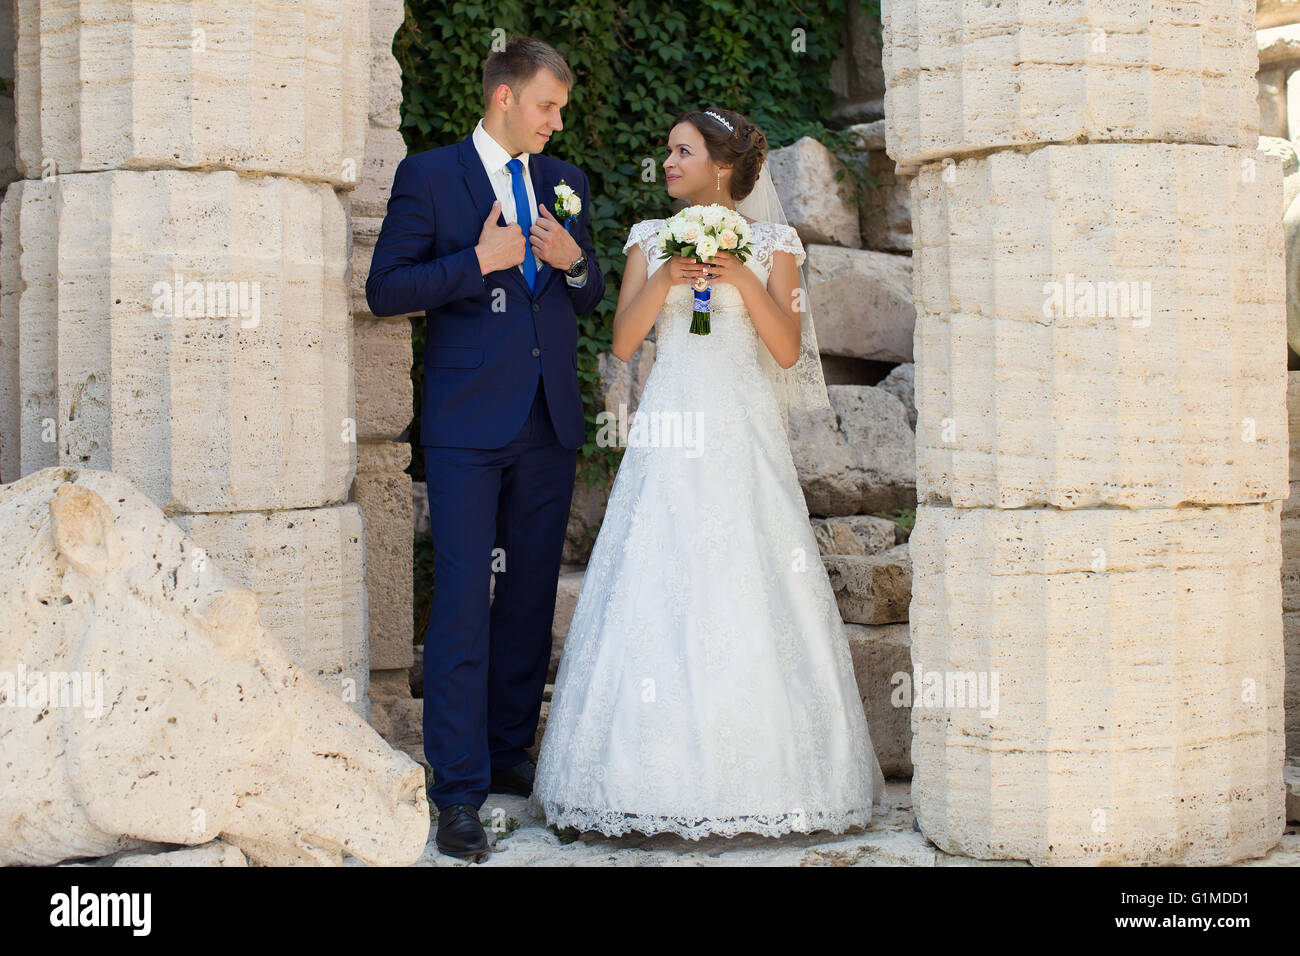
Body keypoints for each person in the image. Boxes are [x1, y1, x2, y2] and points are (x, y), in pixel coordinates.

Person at [529, 107, 888, 840]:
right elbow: (626, 342)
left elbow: (787, 349)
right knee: (656, 578)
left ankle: (769, 778)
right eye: (667, 150)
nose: (667, 161)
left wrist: (737, 275)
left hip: (741, 427)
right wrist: (665, 275)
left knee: (746, 579)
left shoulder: (775, 242)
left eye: (681, 151)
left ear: (720, 167)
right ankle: (640, 778)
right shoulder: (647, 239)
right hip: (669, 427)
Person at [365, 35, 605, 862]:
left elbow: (592, 290)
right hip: (467, 426)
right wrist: (478, 261)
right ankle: (457, 792)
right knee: (465, 604)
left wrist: (576, 265)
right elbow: (386, 289)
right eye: (548, 105)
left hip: (549, 424)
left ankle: (509, 754)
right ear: (505, 97)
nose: (557, 120)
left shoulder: (566, 182)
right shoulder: (430, 177)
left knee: (530, 600)